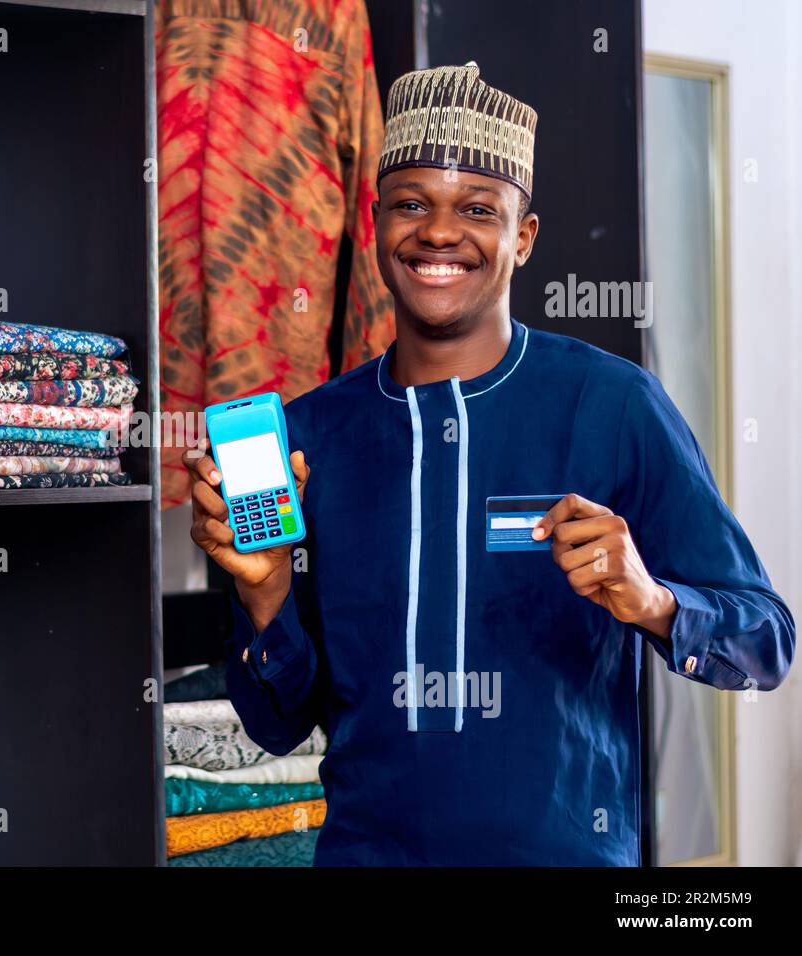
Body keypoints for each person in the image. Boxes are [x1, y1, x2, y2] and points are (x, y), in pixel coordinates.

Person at [182, 63, 794, 865]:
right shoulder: (310, 435)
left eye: (477, 209)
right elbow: (276, 723)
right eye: (411, 206)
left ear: (523, 237)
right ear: (375, 225)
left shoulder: (612, 405)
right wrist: (262, 594)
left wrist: (652, 599)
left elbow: (767, 643)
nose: (439, 233)